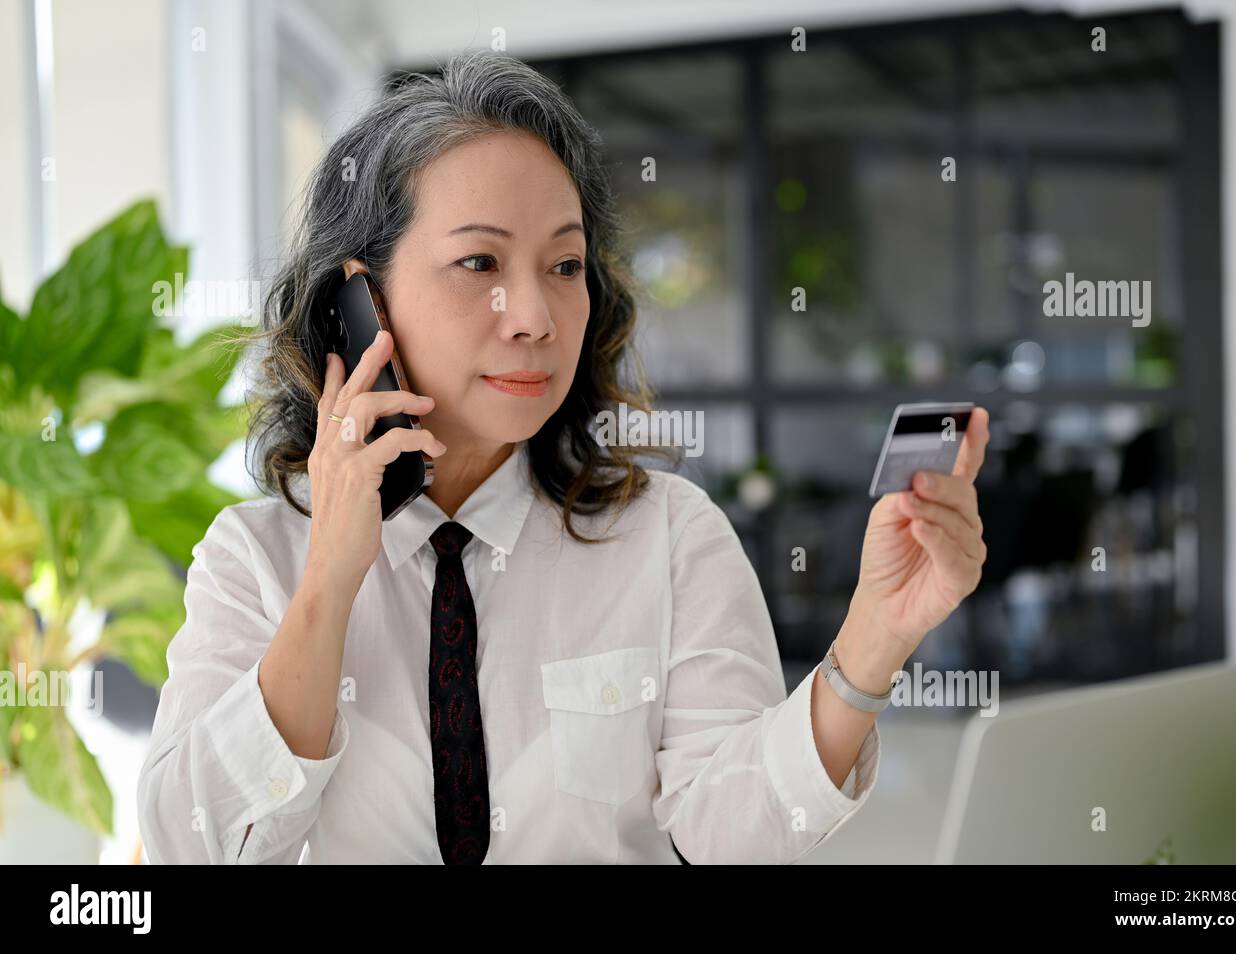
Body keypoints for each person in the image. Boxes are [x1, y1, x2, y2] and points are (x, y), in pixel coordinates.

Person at [137, 50, 989, 864]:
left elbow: (727, 838)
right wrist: (327, 579)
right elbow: (193, 848)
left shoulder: (669, 537)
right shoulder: (252, 560)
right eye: (479, 261)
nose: (536, 316)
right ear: (364, 297)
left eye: (565, 264)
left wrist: (878, 635)